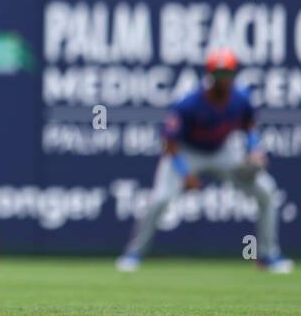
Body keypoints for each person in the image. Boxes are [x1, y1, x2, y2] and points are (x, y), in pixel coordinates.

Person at [117, 48, 292, 273]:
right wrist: (184, 173)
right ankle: (134, 253)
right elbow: (169, 143)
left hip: (222, 152)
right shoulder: (190, 103)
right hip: (187, 153)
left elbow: (249, 126)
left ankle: (268, 255)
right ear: (210, 75)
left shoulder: (240, 99)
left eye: (227, 74)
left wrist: (253, 150)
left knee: (266, 192)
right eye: (219, 74)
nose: (223, 79)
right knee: (160, 199)